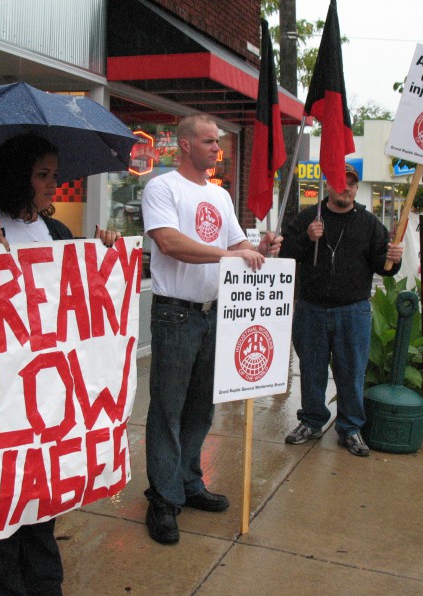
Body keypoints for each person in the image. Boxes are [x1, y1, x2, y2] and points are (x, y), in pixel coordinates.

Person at [0, 133, 117, 596]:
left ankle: (45, 587)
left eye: (54, 175)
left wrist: (102, 253)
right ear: (16, 178)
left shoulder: (58, 234)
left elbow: (79, 305)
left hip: (46, 398)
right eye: (42, 175)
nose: (52, 185)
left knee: (42, 498)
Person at [141, 113, 281, 545]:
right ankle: (163, 498)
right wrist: (228, 254)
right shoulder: (161, 188)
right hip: (175, 314)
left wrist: (258, 249)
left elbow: (237, 245)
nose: (217, 149)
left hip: (215, 313)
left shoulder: (219, 195)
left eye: (217, 142)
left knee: (201, 407)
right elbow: (169, 242)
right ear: (185, 145)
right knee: (168, 410)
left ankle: (187, 481)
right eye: (208, 141)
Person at [279, 164, 403, 457]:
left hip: (353, 311)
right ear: (328, 184)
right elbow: (284, 253)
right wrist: (308, 238)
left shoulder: (369, 223)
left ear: (356, 189)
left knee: (351, 372)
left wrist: (394, 259)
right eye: (339, 181)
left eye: (351, 183)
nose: (345, 188)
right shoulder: (309, 218)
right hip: (311, 309)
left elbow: (384, 267)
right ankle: (311, 422)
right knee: (311, 370)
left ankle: (350, 428)